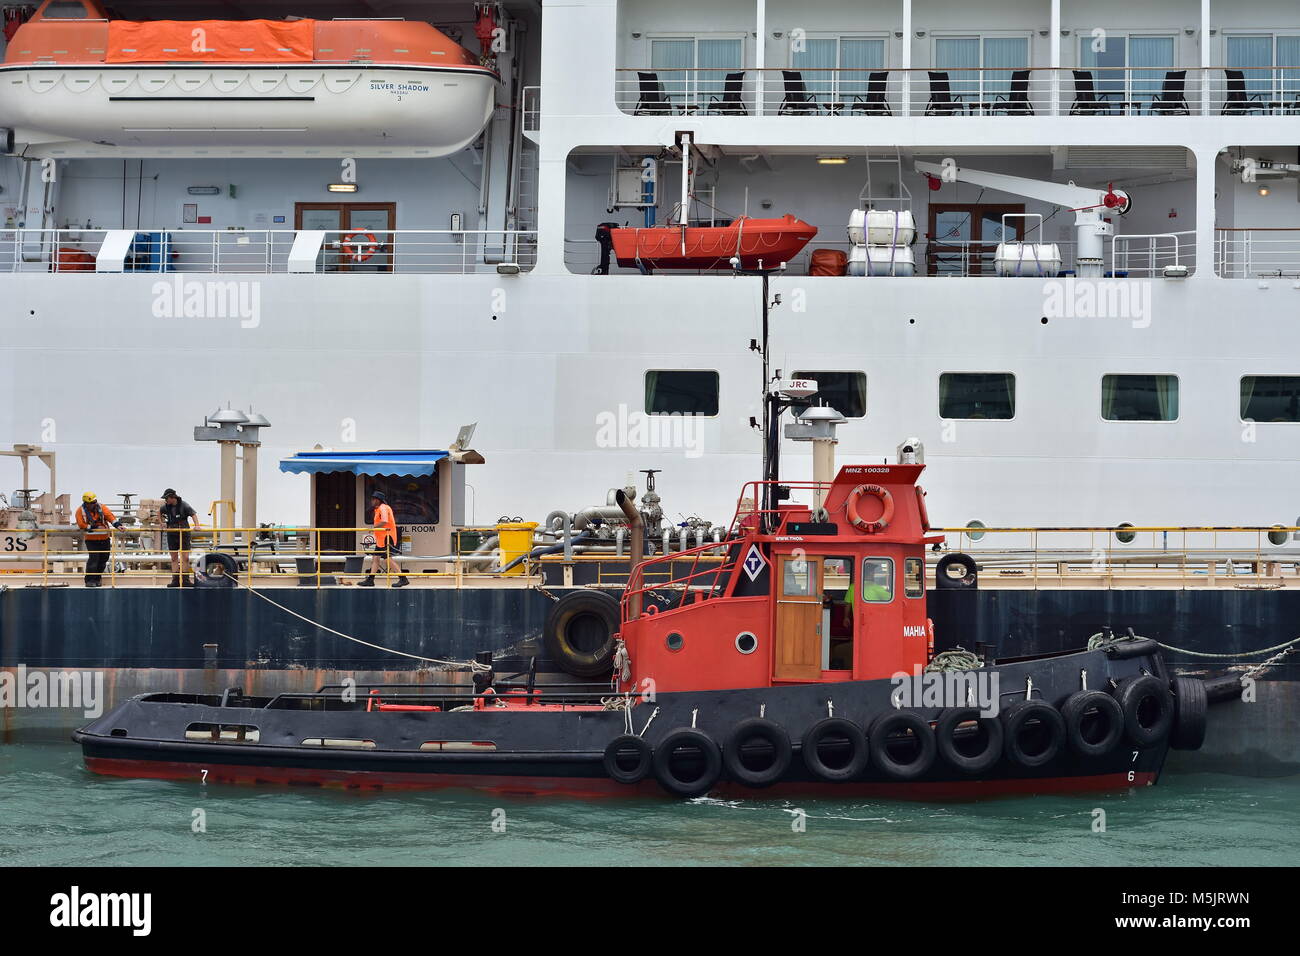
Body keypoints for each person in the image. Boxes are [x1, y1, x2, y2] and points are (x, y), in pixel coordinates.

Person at [358, 491, 408, 588]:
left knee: (387, 559)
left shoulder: (383, 508)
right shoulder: (379, 509)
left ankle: (403, 578)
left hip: (386, 537)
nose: (371, 501)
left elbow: (384, 521)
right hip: (381, 539)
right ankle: (370, 580)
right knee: (375, 558)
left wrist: (374, 528)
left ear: (378, 500)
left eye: (373, 499)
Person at [76, 492, 122, 588]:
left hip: (104, 538)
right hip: (91, 540)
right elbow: (81, 525)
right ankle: (89, 580)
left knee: (103, 559)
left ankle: (97, 579)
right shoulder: (80, 511)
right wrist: (95, 527)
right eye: (92, 502)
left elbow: (110, 517)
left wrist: (118, 525)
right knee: (94, 559)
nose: (94, 504)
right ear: (86, 503)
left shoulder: (101, 507)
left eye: (95, 501)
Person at [160, 488, 198, 588]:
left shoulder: (184, 505)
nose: (165, 500)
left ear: (172, 497)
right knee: (174, 558)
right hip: (171, 533)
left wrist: (197, 525)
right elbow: (159, 512)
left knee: (185, 558)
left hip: (183, 533)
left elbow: (193, 514)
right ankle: (175, 580)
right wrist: (162, 523)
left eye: (167, 498)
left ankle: (185, 580)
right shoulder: (165, 507)